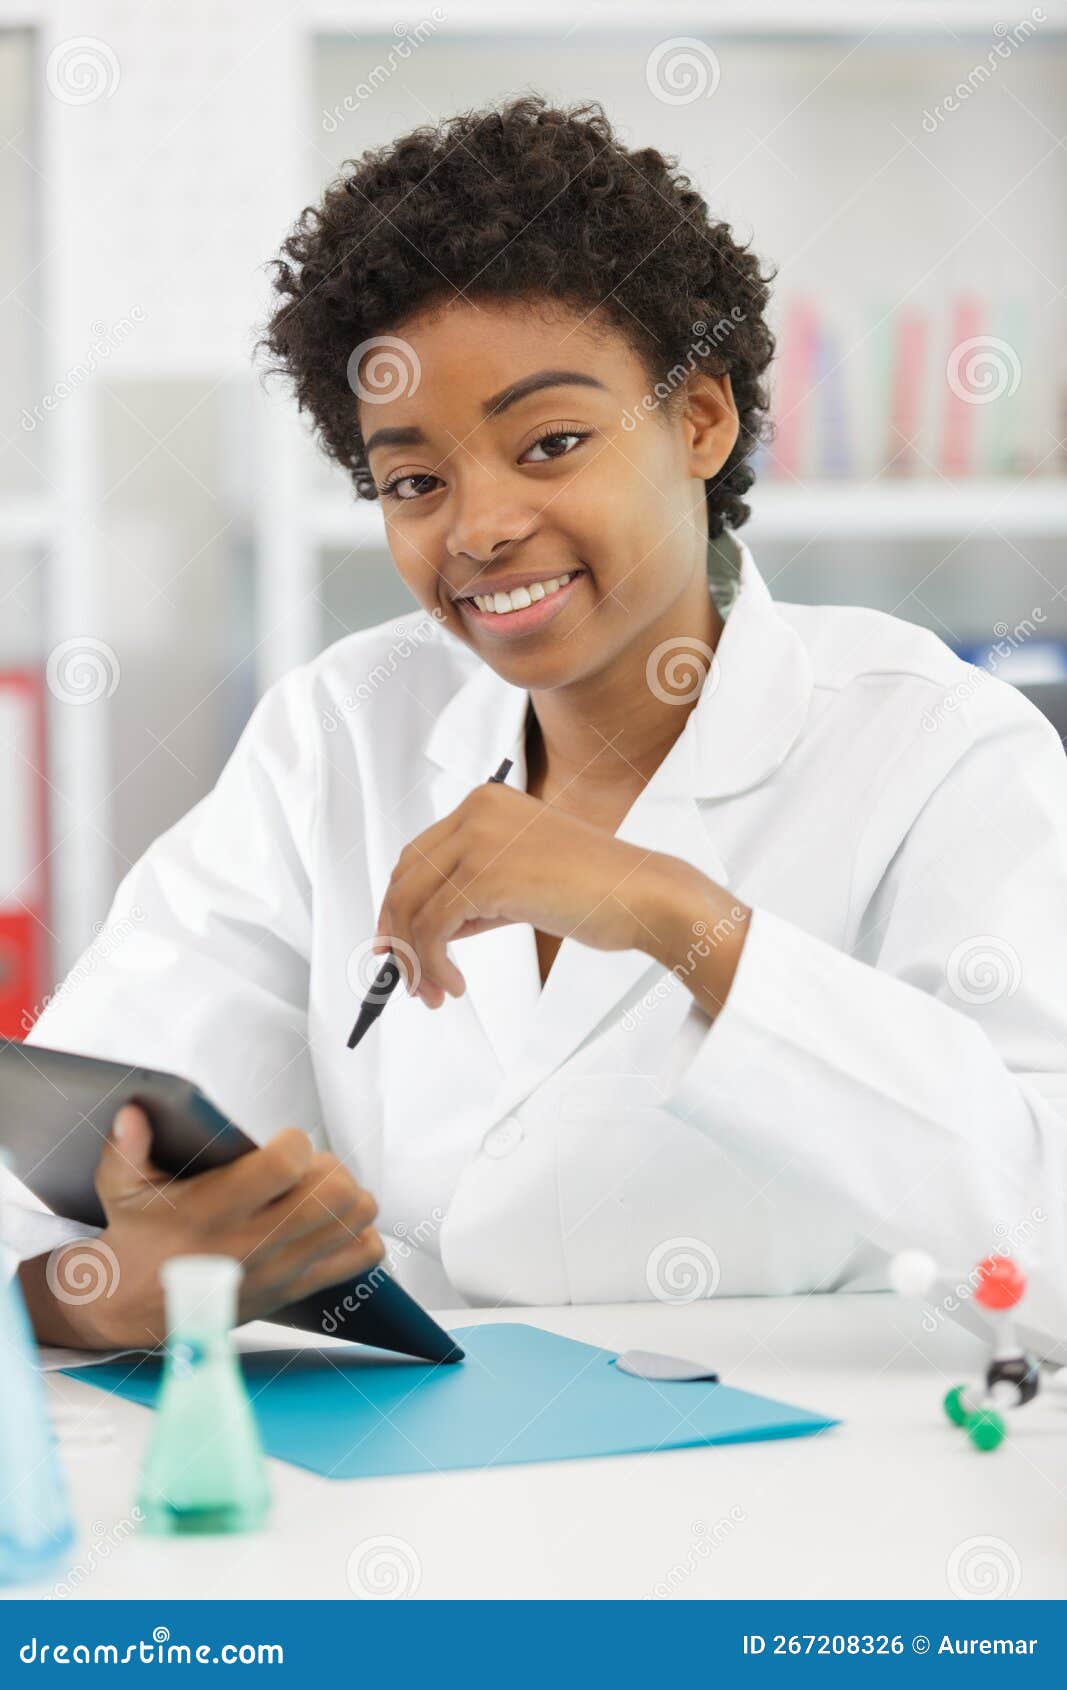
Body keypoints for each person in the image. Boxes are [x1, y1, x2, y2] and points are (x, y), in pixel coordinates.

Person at [9, 95, 1067, 1362]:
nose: (478, 527)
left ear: (700, 420)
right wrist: (106, 1290)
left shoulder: (938, 745)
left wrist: (679, 919)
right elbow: (67, 1153)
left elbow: (1043, 1251)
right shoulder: (342, 731)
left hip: (827, 1484)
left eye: (550, 442)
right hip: (417, 1486)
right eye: (413, 480)